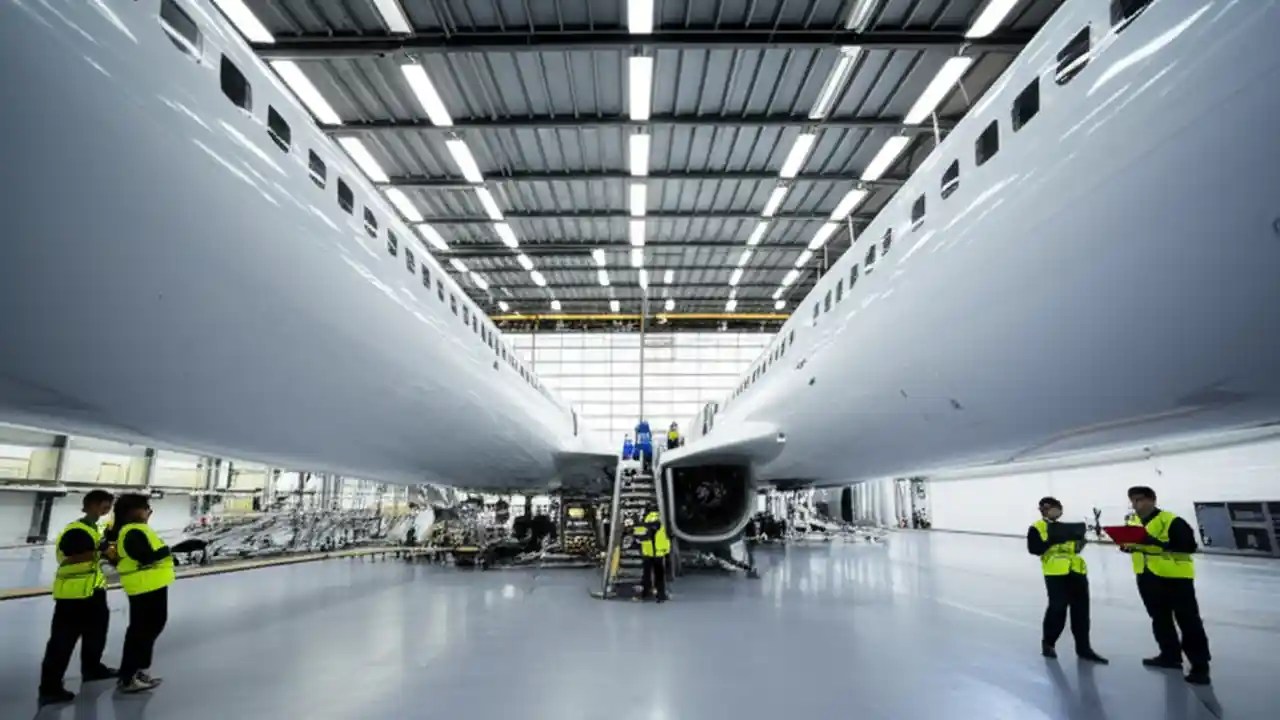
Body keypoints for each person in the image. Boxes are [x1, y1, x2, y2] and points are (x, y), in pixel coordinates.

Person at [1122, 486, 1211, 685]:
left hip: (1175, 577)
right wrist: (1127, 546)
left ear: (1152, 500)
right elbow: (1137, 547)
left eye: (1139, 500)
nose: (1136, 505)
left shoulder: (1172, 521)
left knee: (1188, 621)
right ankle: (1169, 655)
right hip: (1146, 577)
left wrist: (1155, 543)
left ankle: (1200, 666)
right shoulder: (1133, 522)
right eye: (1132, 501)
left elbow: (1188, 546)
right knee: (1159, 618)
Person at [38, 490, 119, 705]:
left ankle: (92, 669)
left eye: (109, 505)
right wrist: (102, 552)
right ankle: (50, 687)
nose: (107, 509)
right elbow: (72, 558)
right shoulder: (76, 530)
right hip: (73, 597)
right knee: (62, 642)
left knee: (97, 635)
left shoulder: (95, 528)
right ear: (92, 505)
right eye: (104, 505)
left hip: (93, 593)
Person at [1027, 497, 1108, 664]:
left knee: (1081, 611)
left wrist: (1080, 541)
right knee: (1057, 608)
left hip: (1076, 570)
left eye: (1056, 508)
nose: (1054, 511)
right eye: (1048, 508)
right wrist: (1052, 540)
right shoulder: (1037, 527)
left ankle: (1084, 648)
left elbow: (1076, 548)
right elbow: (1034, 549)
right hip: (1055, 572)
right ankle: (1049, 643)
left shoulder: (1069, 528)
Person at [113, 494, 176, 693]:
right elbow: (144, 556)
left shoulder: (140, 529)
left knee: (151, 627)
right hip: (143, 586)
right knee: (141, 630)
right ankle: (128, 676)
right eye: (146, 508)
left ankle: (138, 670)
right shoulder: (132, 531)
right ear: (132, 511)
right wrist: (169, 550)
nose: (149, 512)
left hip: (152, 584)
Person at [632, 505, 670, 602]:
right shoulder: (662, 520)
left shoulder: (645, 521)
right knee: (659, 576)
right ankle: (661, 595)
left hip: (647, 552)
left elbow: (638, 535)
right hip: (659, 552)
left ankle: (645, 593)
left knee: (646, 575)